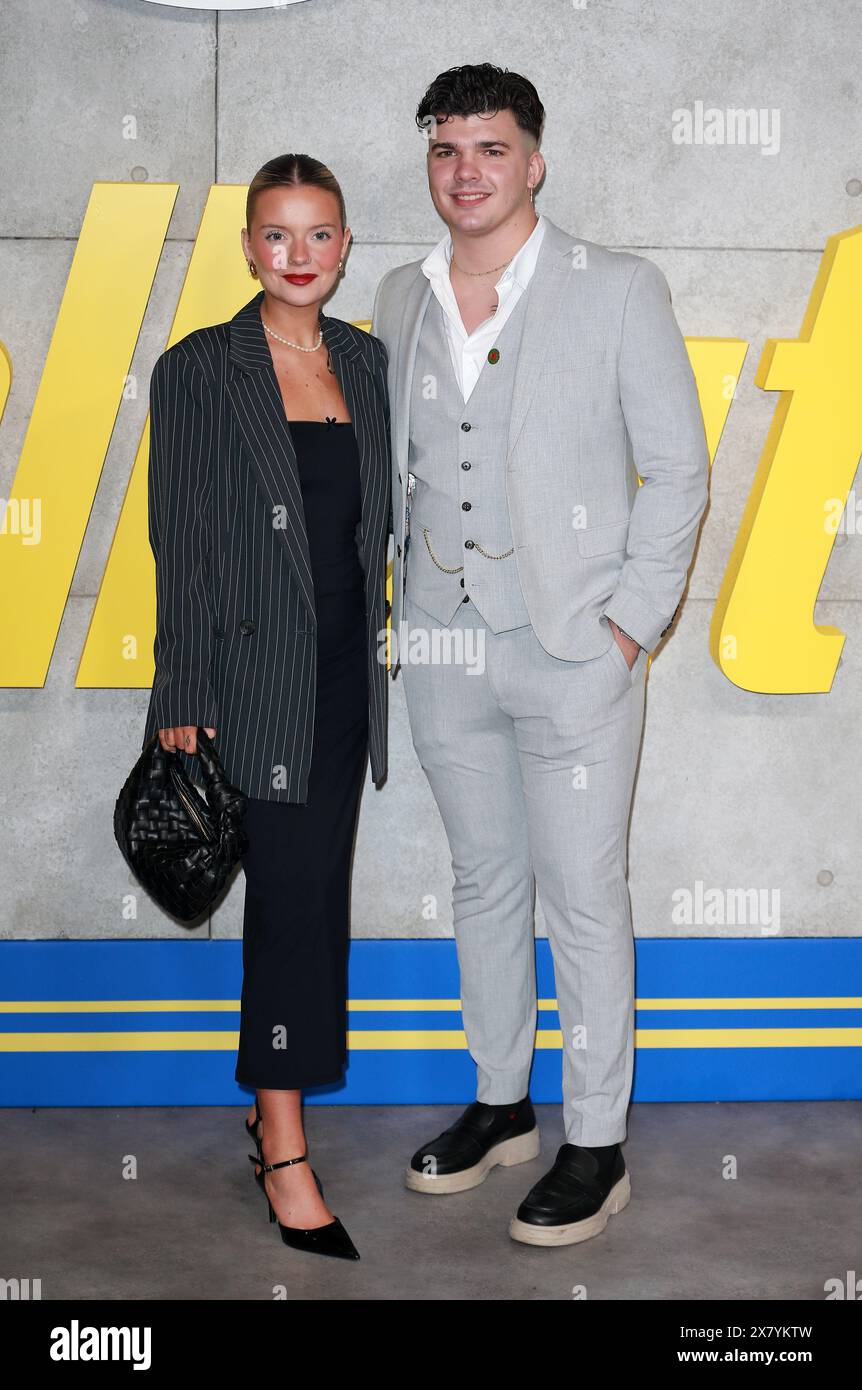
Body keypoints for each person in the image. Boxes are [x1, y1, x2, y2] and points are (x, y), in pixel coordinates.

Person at [372, 64, 710, 1246]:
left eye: (491, 149)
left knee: (582, 896)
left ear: (535, 160)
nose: (467, 171)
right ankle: (502, 1102)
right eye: (447, 150)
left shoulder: (616, 287)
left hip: (574, 647)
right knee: (483, 884)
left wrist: (629, 626)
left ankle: (596, 1141)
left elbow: (676, 469)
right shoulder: (399, 296)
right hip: (443, 642)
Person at [141, 153, 392, 1261]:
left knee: (312, 896)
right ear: (247, 246)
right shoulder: (201, 368)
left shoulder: (366, 362)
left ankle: (271, 1112)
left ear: (344, 246)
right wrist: (182, 684)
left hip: (346, 680)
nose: (299, 256)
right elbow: (179, 541)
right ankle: (283, 1144)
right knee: (289, 905)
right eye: (277, 235)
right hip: (251, 679)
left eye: (320, 235)